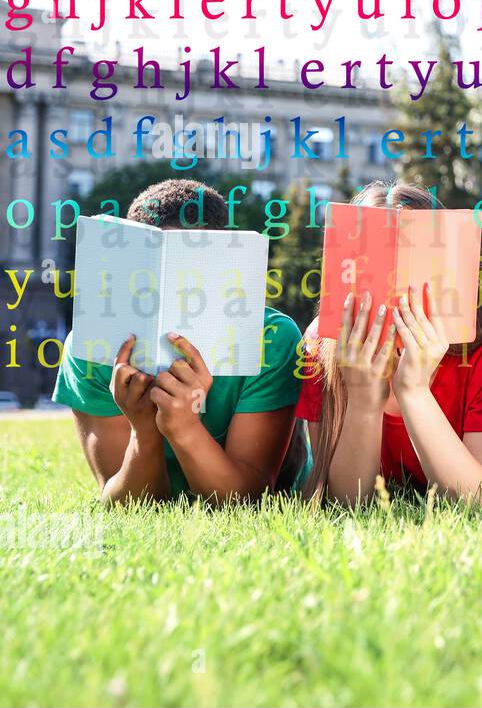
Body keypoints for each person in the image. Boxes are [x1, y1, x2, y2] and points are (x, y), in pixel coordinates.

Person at [295, 181, 482, 505]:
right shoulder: (323, 345)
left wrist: (414, 391)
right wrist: (364, 401)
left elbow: (480, 500)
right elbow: (347, 503)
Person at [54, 179, 306, 504]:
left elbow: (244, 501)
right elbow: (125, 504)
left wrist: (184, 426)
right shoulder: (90, 347)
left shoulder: (271, 339)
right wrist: (143, 431)